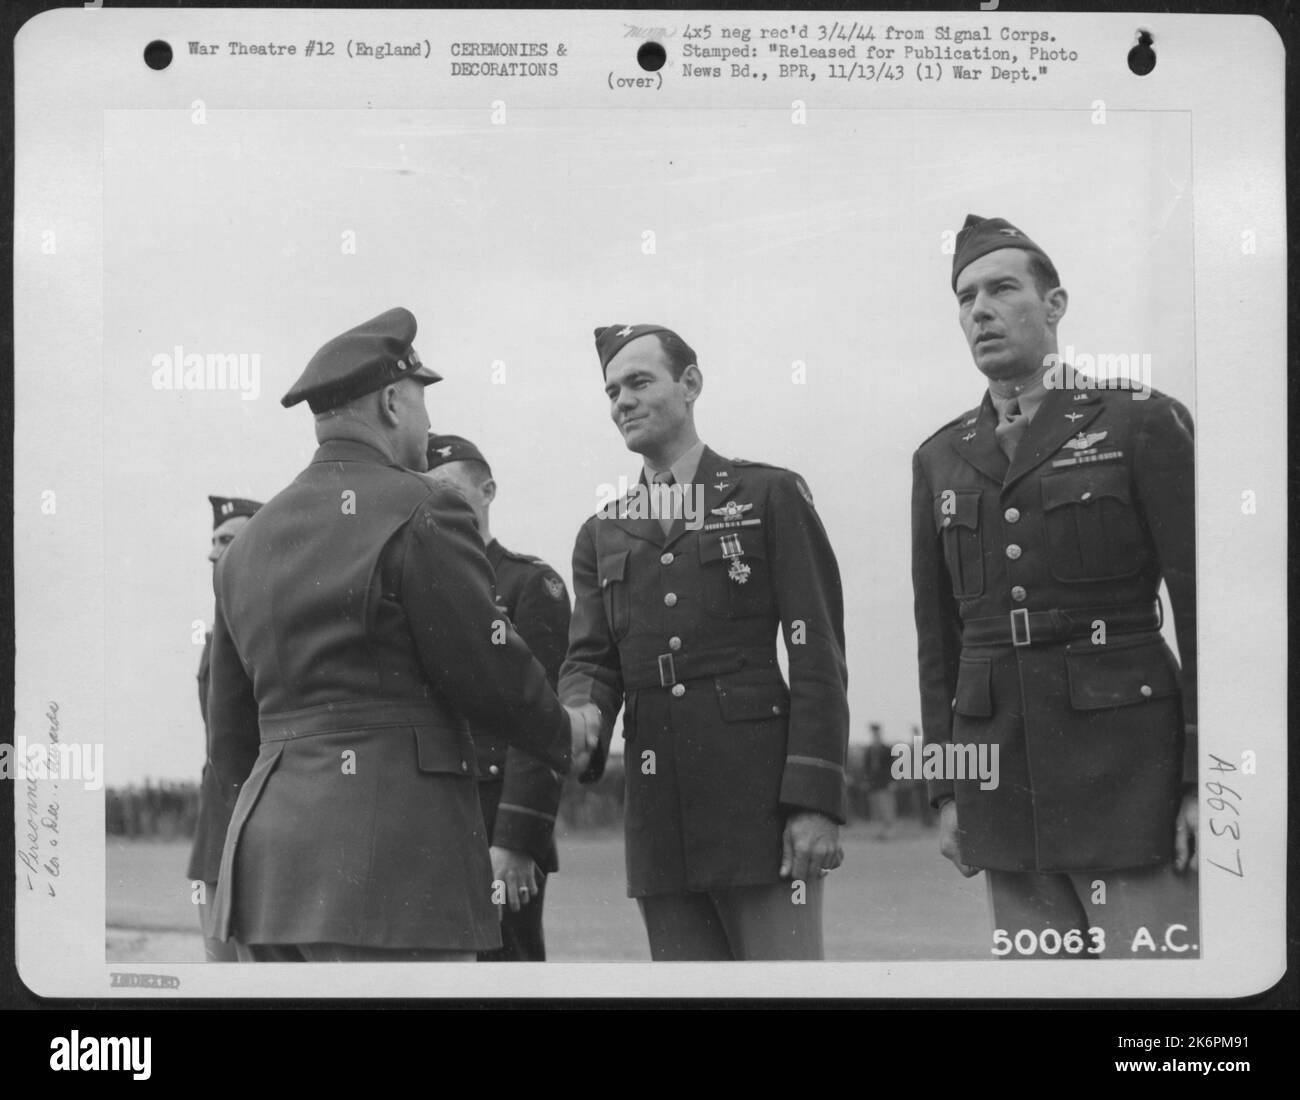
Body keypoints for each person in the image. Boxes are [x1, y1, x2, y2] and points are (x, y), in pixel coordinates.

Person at [205, 307, 583, 961]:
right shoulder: (423, 507)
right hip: (394, 873)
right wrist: (567, 734)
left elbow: (230, 739)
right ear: (389, 403)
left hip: (269, 875)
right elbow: (492, 676)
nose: (429, 424)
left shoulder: (249, 544)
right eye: (422, 402)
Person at [911, 215, 1197, 958]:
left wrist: (1203, 782)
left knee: (1153, 989)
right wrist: (947, 791)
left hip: (1131, 774)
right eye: (966, 296)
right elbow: (939, 643)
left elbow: (1206, 616)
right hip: (1002, 778)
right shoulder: (940, 457)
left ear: (1056, 304)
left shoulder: (1140, 421)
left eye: (1003, 288)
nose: (981, 309)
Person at [560, 323, 849, 961]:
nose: (622, 403)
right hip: (659, 817)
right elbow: (591, 661)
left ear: (690, 384)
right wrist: (581, 712)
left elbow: (816, 653)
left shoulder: (767, 495)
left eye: (639, 382)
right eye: (612, 392)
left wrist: (814, 800)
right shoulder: (603, 532)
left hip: (762, 810)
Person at [422, 433, 570, 962]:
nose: (430, 498)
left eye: (443, 486)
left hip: (495, 822)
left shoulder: (530, 585)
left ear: (487, 490)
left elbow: (542, 719)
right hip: (424, 819)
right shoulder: (413, 585)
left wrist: (517, 837)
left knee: (506, 974)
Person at [188, 494, 262, 961]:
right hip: (217, 827)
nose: (214, 552)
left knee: (259, 975)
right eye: (214, 541)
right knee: (220, 966)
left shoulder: (272, 628)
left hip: (260, 828)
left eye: (228, 540)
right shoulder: (218, 633)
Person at [862, 722, 897, 841]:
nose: (875, 736)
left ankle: (889, 831)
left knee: (886, 807)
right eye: (873, 734)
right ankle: (879, 831)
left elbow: (892, 766)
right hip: (873, 784)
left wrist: (892, 781)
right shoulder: (869, 750)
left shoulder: (887, 749)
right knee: (875, 808)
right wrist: (866, 780)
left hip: (885, 783)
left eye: (876, 733)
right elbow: (866, 767)